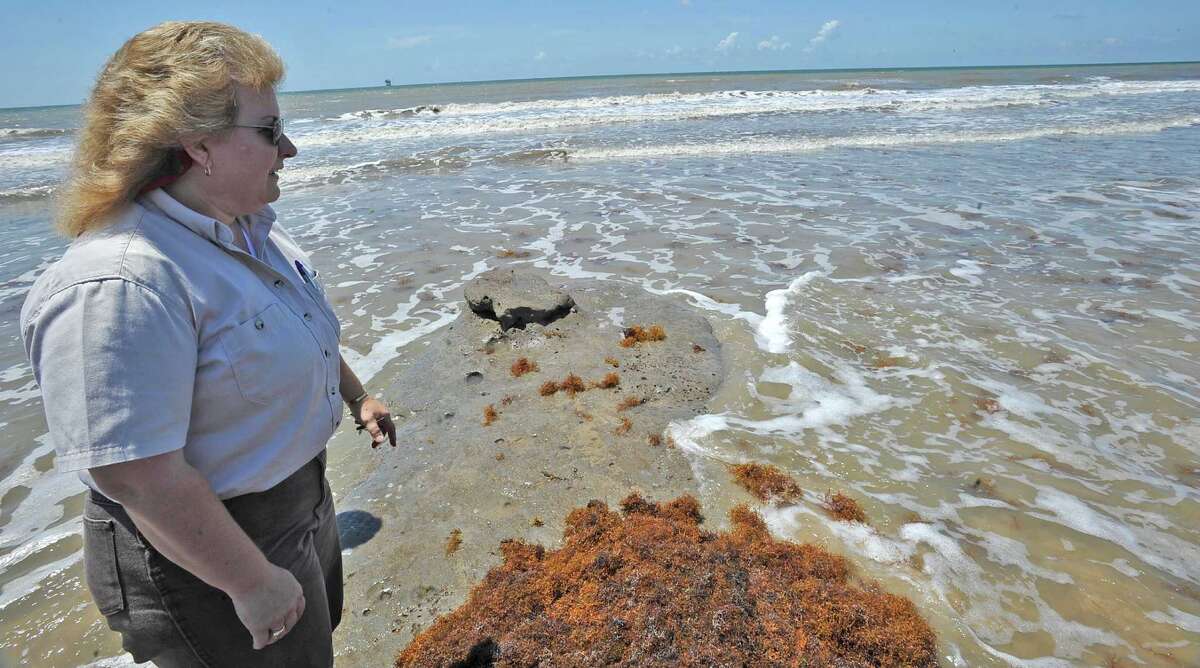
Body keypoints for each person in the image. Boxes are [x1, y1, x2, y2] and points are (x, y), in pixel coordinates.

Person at [19, 21, 396, 667]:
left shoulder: (249, 232)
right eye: (270, 130)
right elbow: (134, 472)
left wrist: (358, 397)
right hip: (206, 551)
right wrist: (249, 582)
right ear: (197, 145)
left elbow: (303, 331)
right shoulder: (122, 280)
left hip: (297, 502)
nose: (291, 148)